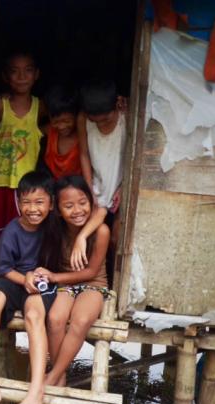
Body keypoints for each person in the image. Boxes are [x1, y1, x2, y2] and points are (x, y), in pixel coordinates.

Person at [0, 170, 56, 404]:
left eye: (39, 202)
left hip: (42, 285)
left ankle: (36, 388)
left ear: (51, 203)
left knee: (34, 315)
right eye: (26, 202)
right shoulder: (13, 229)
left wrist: (38, 278)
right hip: (16, 279)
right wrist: (25, 279)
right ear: (18, 202)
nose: (32, 209)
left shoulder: (54, 228)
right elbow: (2, 268)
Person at [26, 176, 110, 388]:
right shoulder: (57, 229)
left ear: (91, 202)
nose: (77, 210)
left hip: (94, 285)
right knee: (55, 319)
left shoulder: (101, 232)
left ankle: (54, 375)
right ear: (58, 209)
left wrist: (55, 277)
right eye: (69, 206)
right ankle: (60, 375)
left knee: (80, 321)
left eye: (83, 203)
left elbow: (91, 272)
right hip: (66, 286)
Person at [0, 51, 45, 274]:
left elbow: (56, 129)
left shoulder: (41, 108)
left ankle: (19, 278)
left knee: (23, 232)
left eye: (28, 70)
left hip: (25, 186)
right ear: (5, 76)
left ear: (37, 75)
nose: (21, 77)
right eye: (14, 71)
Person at [70, 80, 126, 273]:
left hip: (120, 183)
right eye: (96, 121)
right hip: (97, 182)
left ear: (117, 104)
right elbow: (84, 153)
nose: (100, 124)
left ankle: (113, 280)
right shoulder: (83, 118)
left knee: (117, 238)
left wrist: (124, 186)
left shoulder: (127, 115)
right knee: (93, 233)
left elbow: (136, 155)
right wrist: (88, 187)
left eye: (106, 119)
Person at [36, 85, 91, 184]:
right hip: (52, 187)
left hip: (77, 190)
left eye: (66, 121)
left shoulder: (84, 135)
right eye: (56, 122)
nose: (61, 126)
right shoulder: (49, 131)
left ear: (76, 115)